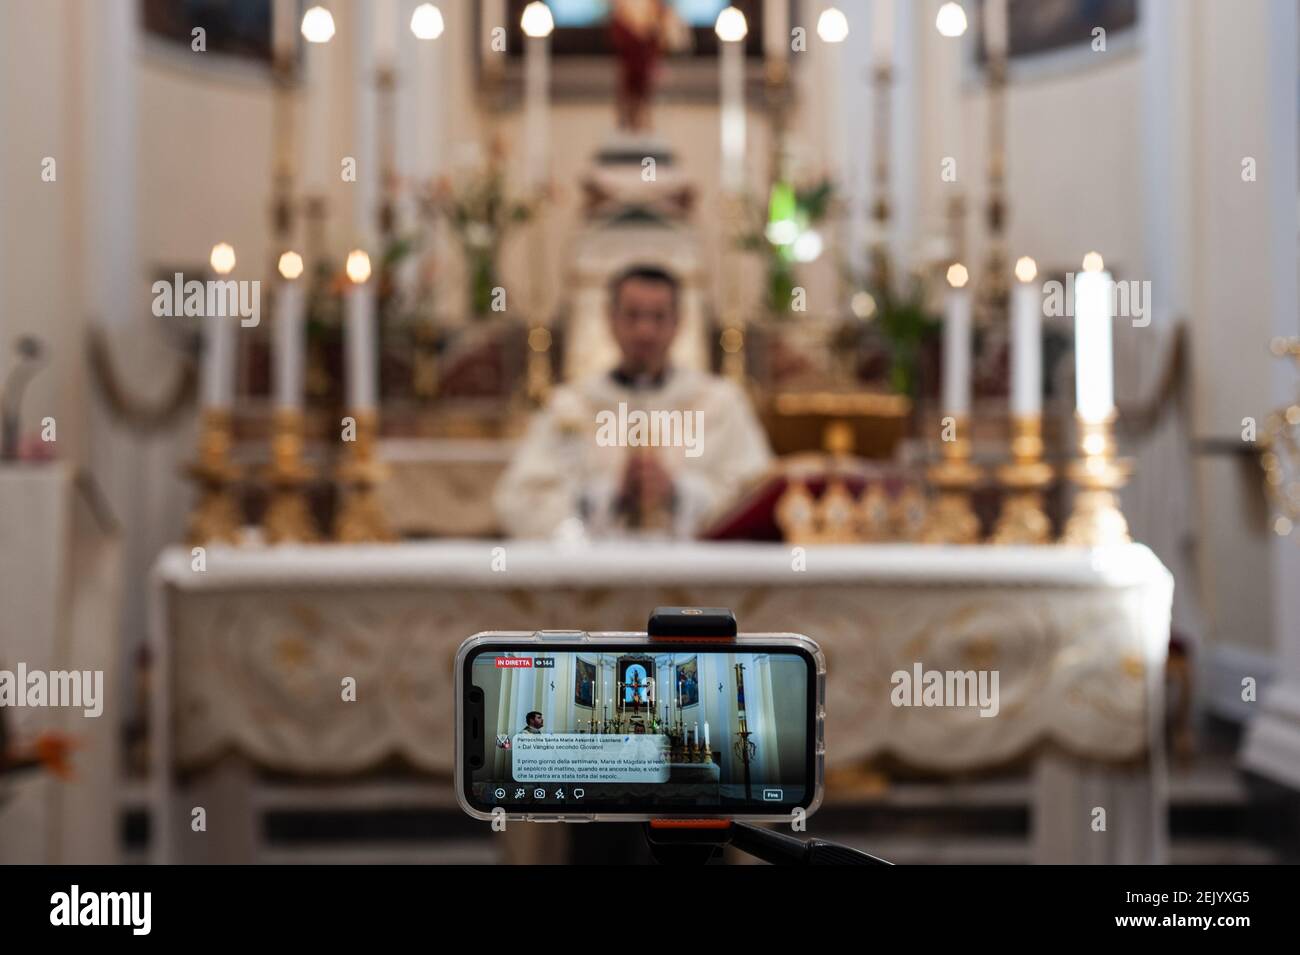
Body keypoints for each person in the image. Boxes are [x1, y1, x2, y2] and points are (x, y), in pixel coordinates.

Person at [494, 265, 772, 539]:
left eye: (658, 317)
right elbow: (518, 503)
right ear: (610, 318)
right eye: (633, 315)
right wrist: (605, 496)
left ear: (679, 322)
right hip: (596, 575)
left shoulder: (719, 404)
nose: (645, 331)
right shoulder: (569, 407)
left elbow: (757, 498)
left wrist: (677, 492)